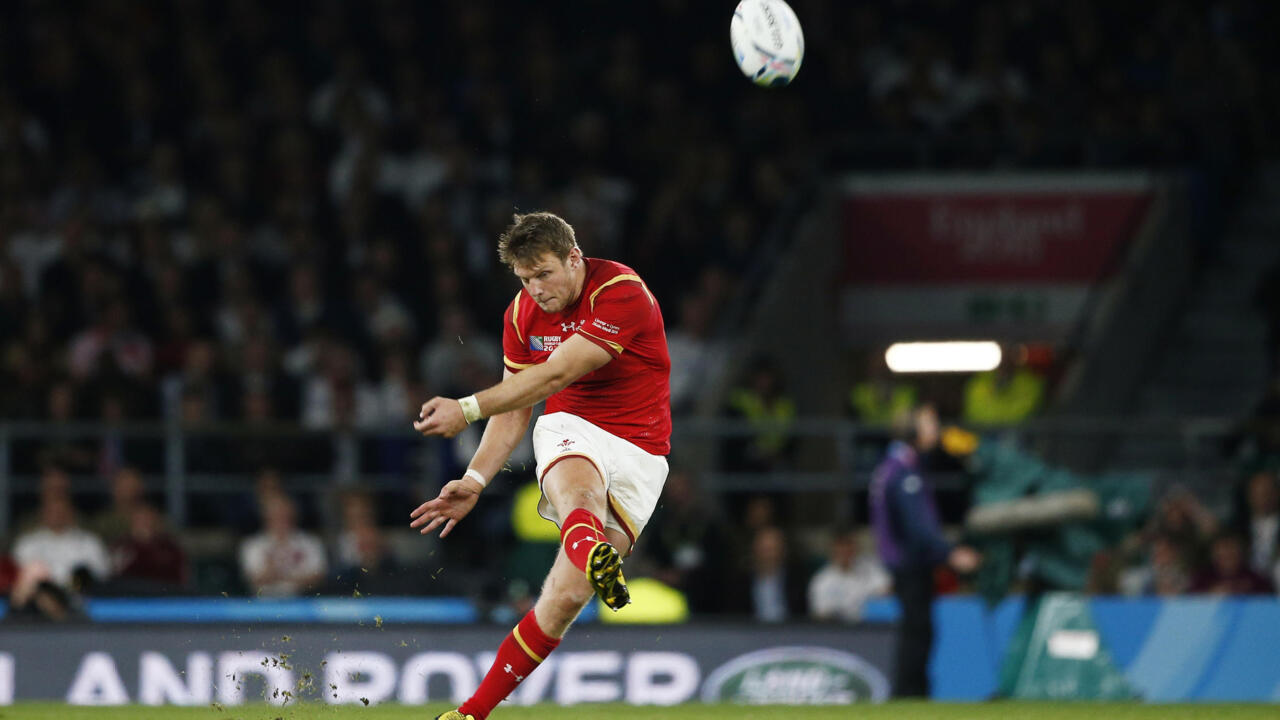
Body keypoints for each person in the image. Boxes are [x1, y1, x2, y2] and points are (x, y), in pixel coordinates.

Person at [409, 212, 671, 720]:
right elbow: (519, 408)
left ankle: (588, 550)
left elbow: (561, 369)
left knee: (565, 598)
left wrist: (464, 408)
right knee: (580, 492)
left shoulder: (620, 291)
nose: (536, 290)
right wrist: (474, 478)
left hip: (641, 451)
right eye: (525, 279)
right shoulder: (522, 314)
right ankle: (468, 716)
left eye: (544, 274)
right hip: (572, 422)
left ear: (574, 258)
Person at [869, 404, 981, 698]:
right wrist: (949, 554)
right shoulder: (904, 470)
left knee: (919, 627)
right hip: (909, 562)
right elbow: (918, 527)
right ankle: (909, 693)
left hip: (907, 560)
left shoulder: (900, 465)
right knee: (918, 629)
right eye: (929, 423)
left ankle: (913, 692)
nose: (936, 429)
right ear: (911, 430)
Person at [808, 528, 892, 622]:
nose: (845, 551)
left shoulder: (871, 567)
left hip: (871, 628)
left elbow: (887, 591)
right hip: (840, 632)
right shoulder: (821, 581)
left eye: (849, 546)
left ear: (855, 547)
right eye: (840, 547)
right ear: (832, 550)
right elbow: (821, 615)